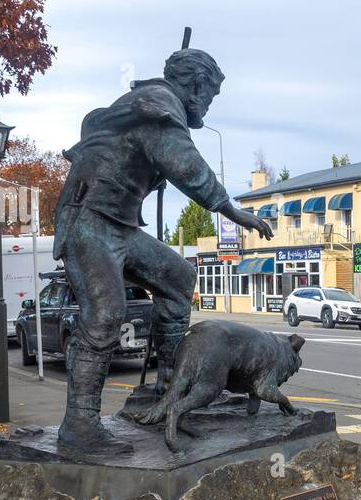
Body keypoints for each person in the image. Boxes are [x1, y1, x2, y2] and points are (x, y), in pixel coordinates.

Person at [52, 46, 273, 455]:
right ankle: (79, 425)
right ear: (195, 86)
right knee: (105, 317)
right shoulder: (157, 106)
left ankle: (169, 388)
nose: (207, 106)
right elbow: (187, 165)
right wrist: (231, 211)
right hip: (90, 221)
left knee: (178, 277)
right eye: (209, 96)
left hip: (119, 224)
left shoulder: (151, 105)